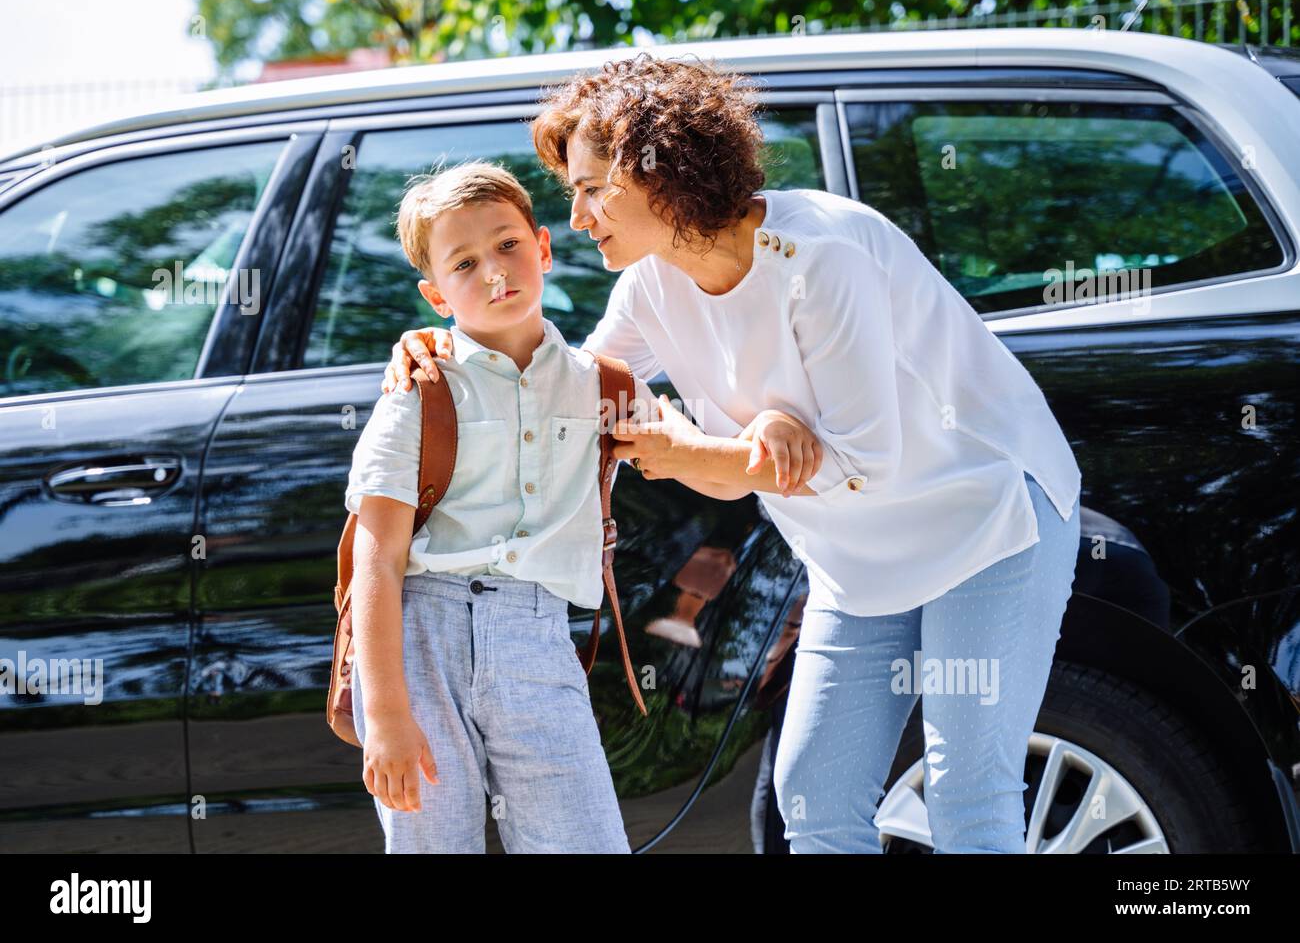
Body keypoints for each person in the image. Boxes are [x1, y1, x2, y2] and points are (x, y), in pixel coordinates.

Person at [381, 54, 1083, 854]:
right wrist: (446, 350)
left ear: (661, 173)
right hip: (859, 564)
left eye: (590, 188)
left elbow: (862, 465)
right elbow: (563, 389)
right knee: (815, 801)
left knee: (967, 797)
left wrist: (698, 451)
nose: (576, 218)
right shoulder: (652, 285)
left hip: (990, 518)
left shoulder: (822, 256)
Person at [346, 159, 818, 853]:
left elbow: (716, 470)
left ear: (542, 246)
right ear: (436, 294)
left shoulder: (604, 387)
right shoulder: (421, 389)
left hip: (537, 637)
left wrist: (770, 427)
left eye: (508, 245)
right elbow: (376, 560)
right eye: (465, 263)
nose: (494, 272)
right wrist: (386, 715)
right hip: (424, 637)